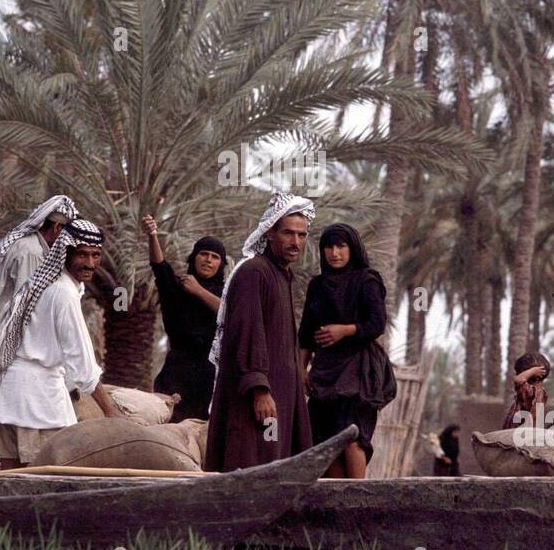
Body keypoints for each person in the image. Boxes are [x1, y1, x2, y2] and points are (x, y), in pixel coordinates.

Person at [0, 215, 120, 469]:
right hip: (36, 403)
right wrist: (112, 414)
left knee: (10, 483)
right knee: (43, 481)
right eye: (82, 254)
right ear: (66, 252)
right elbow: (83, 365)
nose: (90, 263)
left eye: (95, 255)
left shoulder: (42, 283)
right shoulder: (63, 293)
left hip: (6, 394)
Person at [205, 192, 316, 472]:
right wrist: (259, 389)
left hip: (281, 393)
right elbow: (247, 332)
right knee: (250, 462)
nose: (295, 242)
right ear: (269, 233)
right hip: (257, 396)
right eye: (288, 233)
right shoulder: (254, 272)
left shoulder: (281, 274)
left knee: (275, 462)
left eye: (302, 235)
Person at [298, 222, 393, 479]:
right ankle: (336, 506)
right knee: (326, 440)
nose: (335, 253)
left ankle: (358, 501)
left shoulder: (367, 280)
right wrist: (301, 369)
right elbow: (306, 333)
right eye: (329, 247)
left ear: (352, 248)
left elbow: (377, 323)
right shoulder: (317, 285)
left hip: (357, 371)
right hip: (325, 371)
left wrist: (345, 330)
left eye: (341, 246)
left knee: (352, 435)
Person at [0, 196, 76, 387]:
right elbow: (27, 308)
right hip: (7, 341)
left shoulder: (29, 246)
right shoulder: (32, 252)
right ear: (56, 229)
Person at [143, 215, 225, 421]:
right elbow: (159, 265)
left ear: (221, 264)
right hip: (175, 373)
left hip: (208, 377)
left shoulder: (226, 294)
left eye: (215, 257)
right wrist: (152, 235)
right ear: (194, 257)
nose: (208, 260)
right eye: (204, 254)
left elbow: (232, 314)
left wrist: (198, 291)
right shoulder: (177, 288)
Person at [503, 351, 550, 430]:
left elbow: (518, 380)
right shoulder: (536, 391)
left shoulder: (532, 391)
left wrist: (533, 371)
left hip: (521, 435)